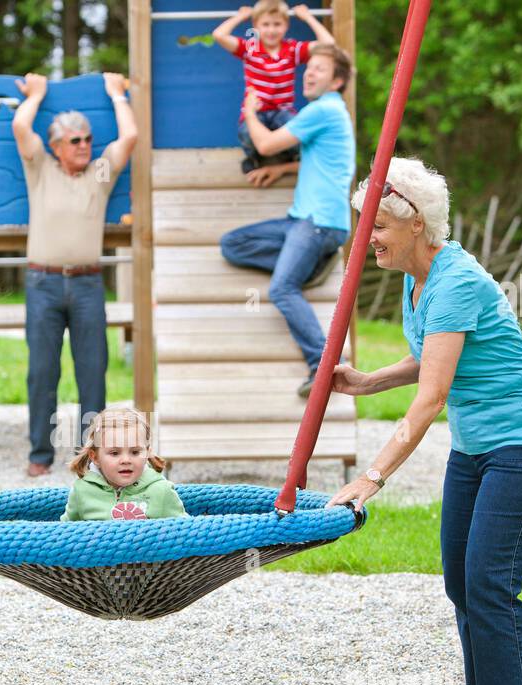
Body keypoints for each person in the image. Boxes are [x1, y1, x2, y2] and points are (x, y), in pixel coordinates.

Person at [325, 157, 522, 685]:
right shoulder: (419, 281)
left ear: (416, 225)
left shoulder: (457, 279)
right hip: (477, 446)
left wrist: (371, 476)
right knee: (460, 582)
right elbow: (431, 357)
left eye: (377, 227)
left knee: (490, 584)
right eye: (364, 226)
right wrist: (368, 381)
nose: (367, 239)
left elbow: (432, 398)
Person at [13, 71, 138, 477]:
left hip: (86, 283)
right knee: (42, 372)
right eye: (75, 141)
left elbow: (130, 138)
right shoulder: (41, 169)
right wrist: (37, 93)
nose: (84, 146)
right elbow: (19, 125)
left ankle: (90, 455)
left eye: (87, 139)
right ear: (56, 146)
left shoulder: (99, 175)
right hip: (43, 283)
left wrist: (118, 95)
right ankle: (39, 454)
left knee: (92, 372)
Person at [219, 42, 356, 398]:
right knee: (233, 244)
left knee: (282, 289)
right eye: (308, 67)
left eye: (320, 69)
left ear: (338, 81)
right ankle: (307, 268)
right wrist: (283, 169)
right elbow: (320, 161)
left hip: (319, 222)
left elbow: (264, 145)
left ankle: (324, 365)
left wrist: (249, 110)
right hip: (302, 221)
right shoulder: (328, 112)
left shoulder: (324, 110)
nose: (309, 72)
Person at [212, 2, 333, 175]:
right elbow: (218, 35)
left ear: (286, 25)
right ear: (256, 26)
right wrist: (241, 16)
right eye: (265, 24)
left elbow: (329, 44)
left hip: (282, 111)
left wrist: (307, 16)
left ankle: (291, 155)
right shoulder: (250, 48)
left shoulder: (292, 49)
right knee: (247, 132)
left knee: (298, 131)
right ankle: (253, 157)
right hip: (257, 110)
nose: (271, 30)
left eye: (277, 24)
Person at [60, 408, 187, 521]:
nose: (126, 460)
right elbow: (65, 534)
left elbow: (186, 531)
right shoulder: (82, 491)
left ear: (147, 453)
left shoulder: (161, 491)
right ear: (95, 457)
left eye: (135, 452)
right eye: (115, 453)